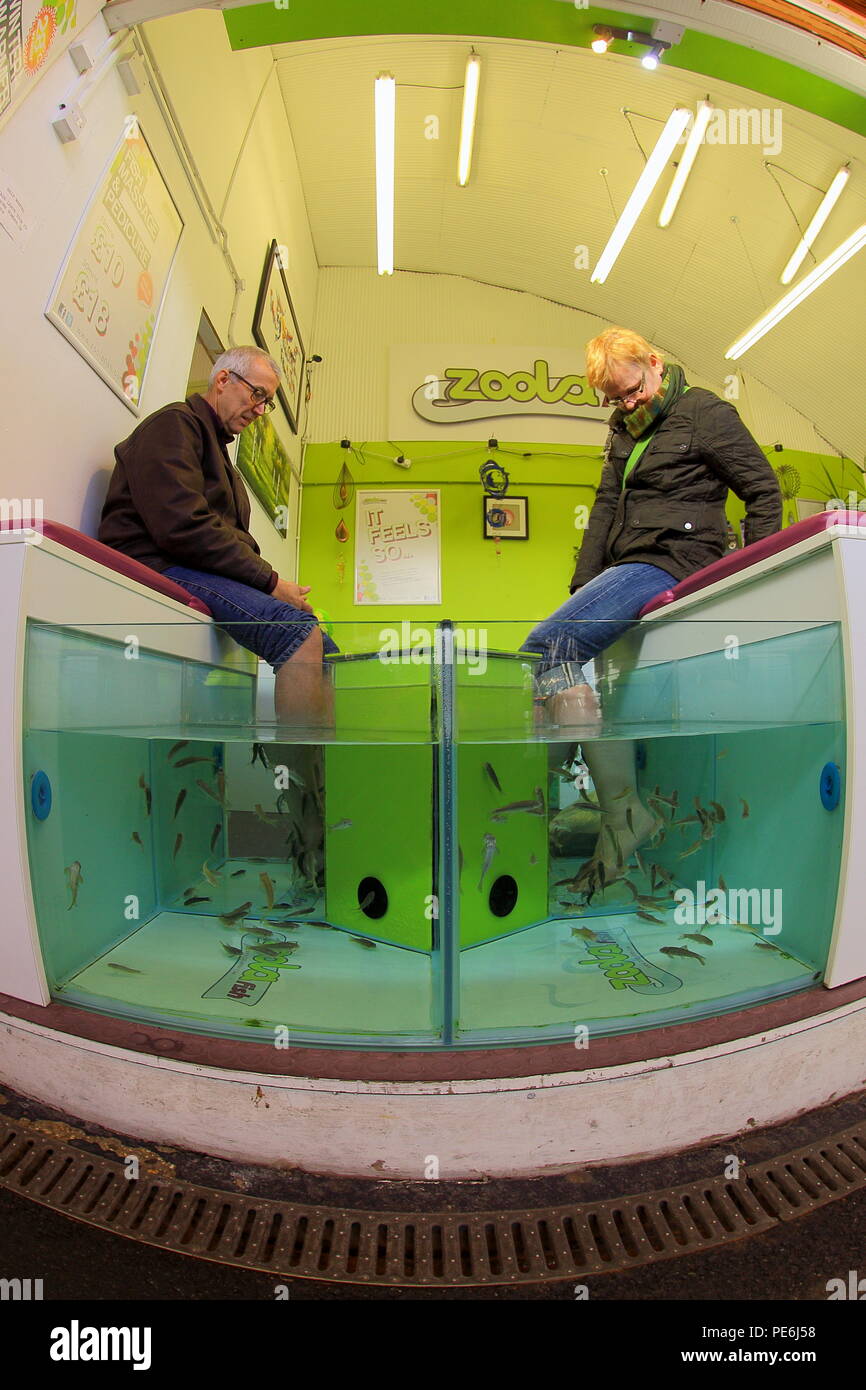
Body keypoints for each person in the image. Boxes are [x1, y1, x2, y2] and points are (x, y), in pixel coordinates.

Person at [521, 326, 782, 886]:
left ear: (655, 363)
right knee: (558, 655)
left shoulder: (706, 412)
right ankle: (602, 812)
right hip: (628, 565)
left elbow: (763, 490)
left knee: (546, 648)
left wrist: (752, 580)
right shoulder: (624, 429)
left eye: (631, 390)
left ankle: (614, 812)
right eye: (613, 398)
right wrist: (583, 589)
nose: (625, 404)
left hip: (674, 557)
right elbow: (605, 506)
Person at [99, 346, 336, 728]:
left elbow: (225, 539)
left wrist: (273, 586)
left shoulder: (220, 456)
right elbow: (183, 527)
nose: (260, 409)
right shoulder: (174, 425)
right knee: (298, 633)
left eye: (267, 402)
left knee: (326, 648)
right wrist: (271, 583)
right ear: (224, 379)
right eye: (257, 394)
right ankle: (299, 767)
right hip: (159, 563)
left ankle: (317, 765)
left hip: (192, 566)